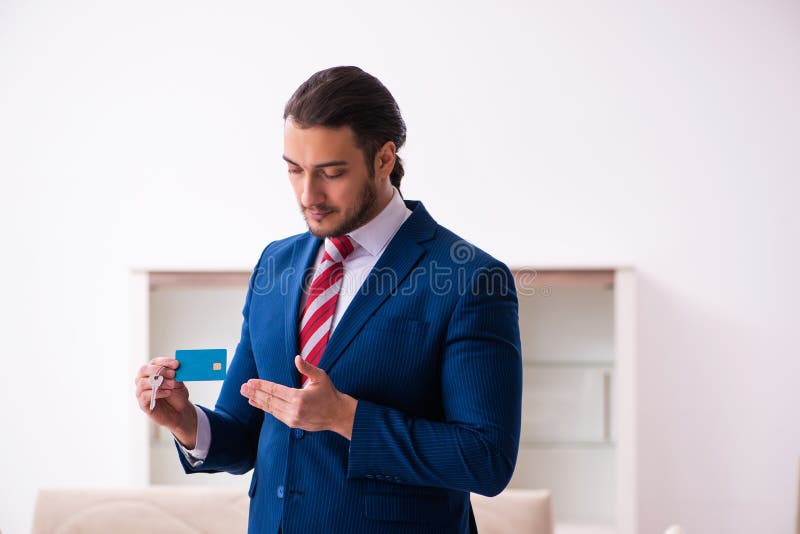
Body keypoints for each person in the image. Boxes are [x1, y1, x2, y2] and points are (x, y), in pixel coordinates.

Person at [135, 66, 522, 534]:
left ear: (384, 159)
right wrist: (188, 423)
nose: (308, 195)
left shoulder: (469, 278)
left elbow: (486, 460)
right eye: (294, 170)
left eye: (331, 173)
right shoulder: (274, 265)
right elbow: (248, 434)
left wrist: (347, 418)